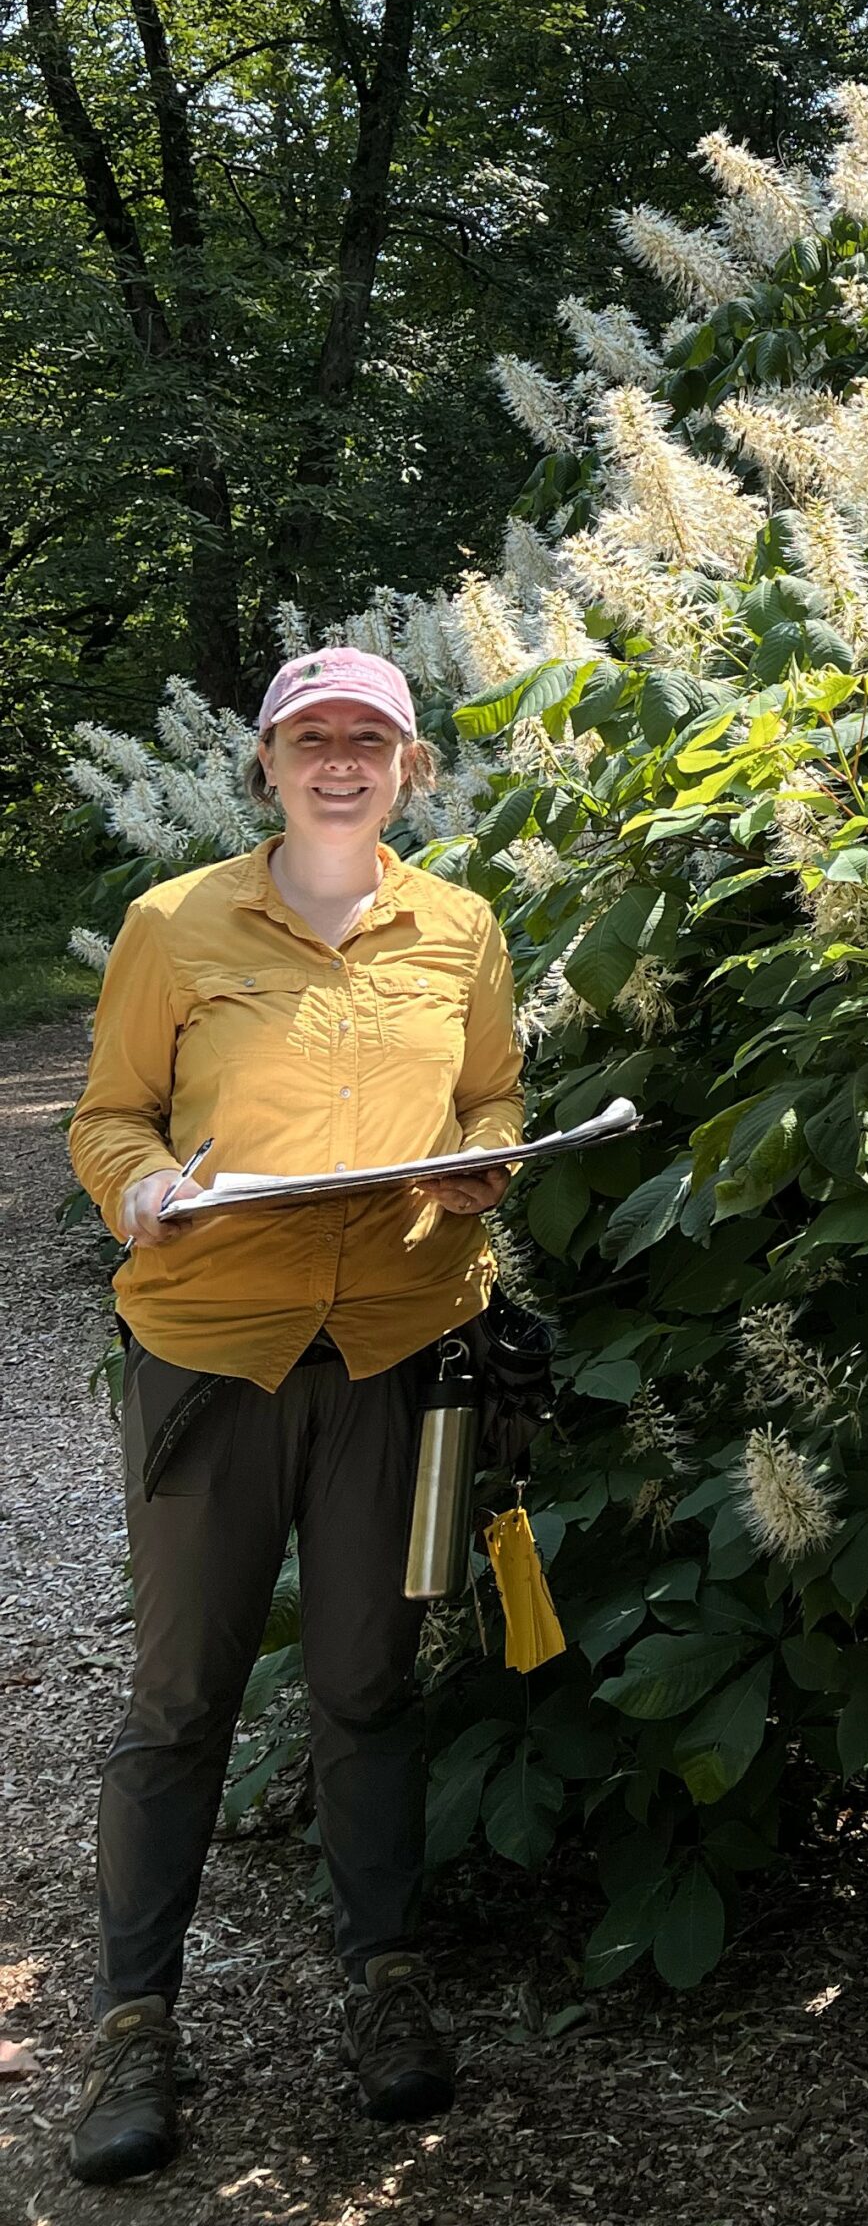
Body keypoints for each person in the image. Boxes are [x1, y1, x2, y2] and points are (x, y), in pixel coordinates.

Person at [62, 647, 521, 2187]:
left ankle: (386, 1987)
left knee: (368, 1685)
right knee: (181, 1696)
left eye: (370, 740)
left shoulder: (458, 926)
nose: (341, 761)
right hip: (213, 1351)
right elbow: (108, 1114)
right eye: (312, 737)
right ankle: (136, 2025)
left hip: (398, 1340)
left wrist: (487, 1159)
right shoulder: (174, 925)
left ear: (411, 768)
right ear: (265, 761)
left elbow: (493, 1097)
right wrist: (138, 1190)